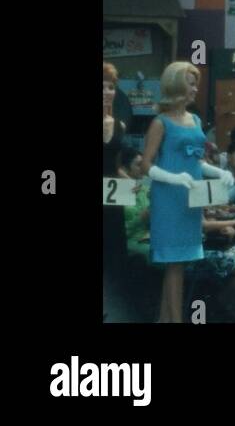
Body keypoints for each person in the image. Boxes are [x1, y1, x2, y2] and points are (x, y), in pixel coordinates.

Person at [141, 62, 235, 323]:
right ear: (176, 86)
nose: (195, 89)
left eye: (196, 84)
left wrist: (219, 172)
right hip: (168, 199)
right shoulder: (160, 123)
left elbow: (197, 161)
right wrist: (173, 177)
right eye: (190, 84)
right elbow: (146, 164)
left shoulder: (195, 120)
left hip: (191, 198)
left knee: (180, 263)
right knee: (175, 263)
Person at [103, 62, 129, 307]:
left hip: (112, 201)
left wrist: (131, 182)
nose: (106, 92)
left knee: (113, 258)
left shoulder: (120, 125)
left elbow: (117, 166)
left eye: (110, 87)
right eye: (102, 87)